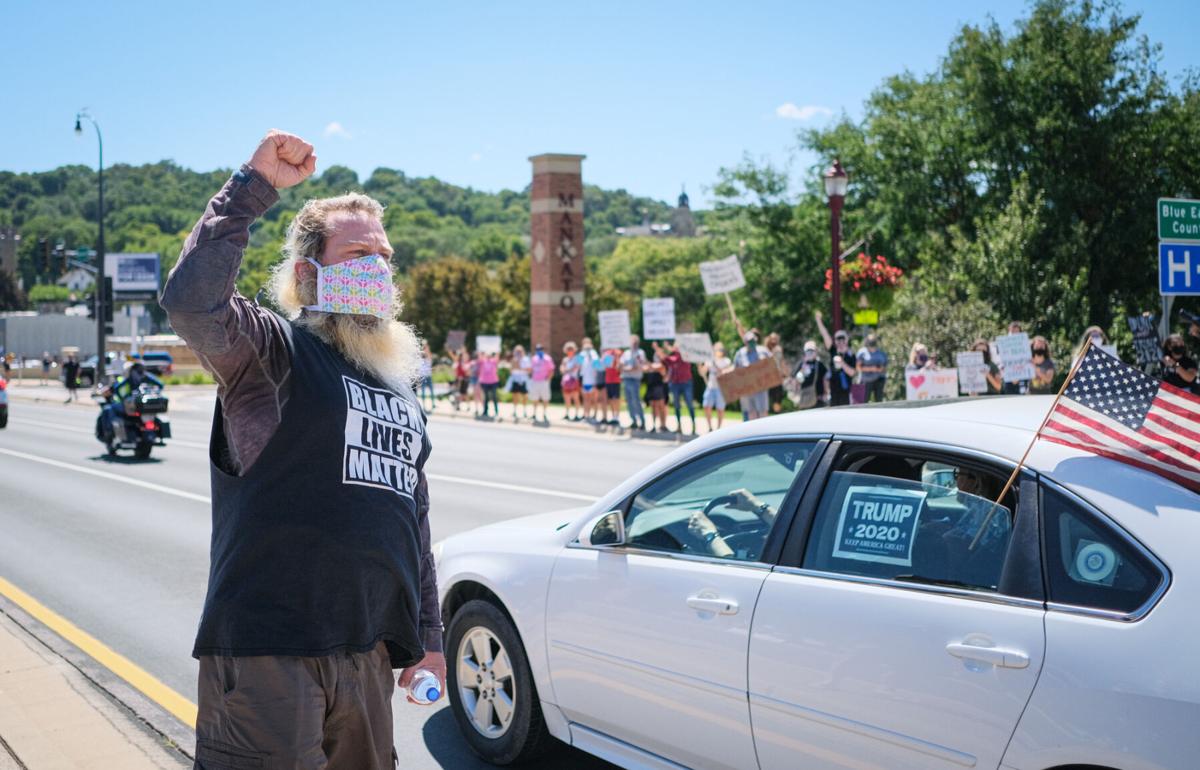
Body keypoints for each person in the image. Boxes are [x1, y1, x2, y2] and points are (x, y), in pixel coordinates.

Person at [159, 130, 443, 769]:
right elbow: (192, 302)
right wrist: (250, 188)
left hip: (367, 654)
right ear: (309, 272)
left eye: (385, 254)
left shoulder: (398, 384)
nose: (378, 266)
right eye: (359, 252)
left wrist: (428, 638)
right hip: (269, 655)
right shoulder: (271, 351)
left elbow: (412, 519)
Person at [814, 311, 857, 406]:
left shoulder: (851, 355)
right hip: (833, 391)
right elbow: (825, 335)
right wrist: (818, 320)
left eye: (843, 339)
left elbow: (853, 373)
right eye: (838, 339)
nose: (840, 342)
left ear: (846, 340)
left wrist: (842, 363)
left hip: (846, 391)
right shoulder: (833, 351)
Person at [658, 340, 697, 434]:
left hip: (686, 383)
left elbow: (683, 355)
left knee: (689, 405)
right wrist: (659, 349)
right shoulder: (673, 358)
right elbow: (664, 359)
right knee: (676, 406)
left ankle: (693, 425)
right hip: (675, 383)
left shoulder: (686, 356)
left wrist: (670, 348)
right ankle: (679, 426)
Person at [733, 330, 772, 420]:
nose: (752, 343)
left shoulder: (763, 351)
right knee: (751, 413)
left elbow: (772, 364)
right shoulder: (740, 353)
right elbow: (735, 371)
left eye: (754, 341)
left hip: (761, 386)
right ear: (745, 342)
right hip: (747, 389)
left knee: (763, 412)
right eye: (750, 341)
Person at [699, 342, 733, 430]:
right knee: (706, 406)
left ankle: (719, 428)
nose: (718, 351)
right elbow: (702, 373)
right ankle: (710, 427)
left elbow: (726, 372)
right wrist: (699, 363)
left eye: (720, 349)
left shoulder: (726, 361)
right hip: (710, 387)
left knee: (720, 409)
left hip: (721, 388)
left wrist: (716, 365)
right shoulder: (709, 361)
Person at [790, 340, 830, 408]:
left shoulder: (819, 364)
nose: (810, 353)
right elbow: (793, 379)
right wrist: (795, 393)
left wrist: (826, 392)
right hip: (805, 397)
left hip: (818, 398)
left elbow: (825, 379)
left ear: (816, 352)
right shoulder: (801, 364)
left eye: (812, 351)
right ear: (805, 352)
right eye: (808, 351)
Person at [619, 336, 648, 431]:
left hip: (635, 379)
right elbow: (621, 365)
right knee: (629, 401)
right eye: (632, 342)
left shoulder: (640, 353)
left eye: (634, 342)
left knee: (636, 401)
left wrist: (628, 368)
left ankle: (642, 422)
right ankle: (634, 421)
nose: (633, 344)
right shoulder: (626, 353)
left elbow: (639, 366)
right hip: (626, 379)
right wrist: (625, 367)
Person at [856, 333, 888, 403]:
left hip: (879, 379)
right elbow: (858, 367)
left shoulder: (881, 353)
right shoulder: (862, 352)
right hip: (866, 381)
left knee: (879, 401)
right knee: (864, 402)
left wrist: (880, 368)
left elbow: (885, 367)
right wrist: (872, 368)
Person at [1001, 321, 1030, 394]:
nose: (1014, 334)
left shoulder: (1026, 346)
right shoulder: (1002, 346)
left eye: (1016, 331)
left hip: (1022, 378)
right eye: (1012, 331)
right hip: (1008, 379)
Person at [643, 350, 668, 432]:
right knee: (653, 407)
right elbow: (644, 369)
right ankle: (654, 424)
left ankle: (663, 425)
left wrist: (646, 362)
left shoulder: (661, 365)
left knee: (661, 406)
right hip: (651, 387)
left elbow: (657, 368)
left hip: (659, 387)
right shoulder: (652, 365)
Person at [529, 343, 555, 422]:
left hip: (544, 381)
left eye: (540, 349)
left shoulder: (547, 359)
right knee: (535, 398)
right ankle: (534, 413)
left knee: (545, 398)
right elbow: (531, 369)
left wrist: (548, 379)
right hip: (535, 381)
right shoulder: (534, 358)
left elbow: (551, 370)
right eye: (537, 349)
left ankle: (544, 413)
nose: (539, 351)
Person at [764, 332, 787, 414]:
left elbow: (782, 361)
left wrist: (785, 372)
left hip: (778, 376)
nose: (774, 340)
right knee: (770, 397)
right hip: (769, 378)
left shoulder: (779, 349)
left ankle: (777, 412)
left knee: (778, 397)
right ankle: (769, 413)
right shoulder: (765, 349)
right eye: (772, 338)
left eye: (776, 338)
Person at [507, 345, 531, 420]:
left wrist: (520, 367)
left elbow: (529, 370)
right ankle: (514, 411)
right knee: (515, 396)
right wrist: (514, 365)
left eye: (520, 351)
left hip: (523, 380)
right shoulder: (513, 360)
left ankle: (524, 411)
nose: (518, 353)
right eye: (517, 351)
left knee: (525, 396)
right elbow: (510, 371)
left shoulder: (526, 359)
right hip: (515, 380)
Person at [579, 337, 600, 422]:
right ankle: (586, 415)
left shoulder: (594, 353)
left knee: (593, 399)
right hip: (585, 381)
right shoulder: (582, 354)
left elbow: (597, 365)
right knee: (585, 399)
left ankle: (594, 415)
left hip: (593, 380)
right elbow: (579, 366)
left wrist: (590, 354)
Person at [560, 341, 582, 420]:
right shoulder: (565, 359)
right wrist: (566, 370)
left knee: (575, 398)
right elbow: (562, 369)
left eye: (571, 349)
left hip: (574, 380)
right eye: (568, 349)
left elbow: (577, 367)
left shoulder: (578, 358)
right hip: (566, 381)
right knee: (567, 398)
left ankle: (577, 414)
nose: (570, 350)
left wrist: (567, 369)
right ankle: (567, 413)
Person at [600, 347, 623, 426]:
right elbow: (603, 365)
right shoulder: (606, 353)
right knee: (610, 399)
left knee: (616, 398)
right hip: (608, 379)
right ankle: (613, 416)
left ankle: (617, 417)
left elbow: (619, 366)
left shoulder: (618, 352)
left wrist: (616, 357)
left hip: (616, 379)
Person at [477, 351, 500, 418]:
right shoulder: (482, 361)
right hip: (485, 382)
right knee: (486, 397)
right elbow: (479, 356)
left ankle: (496, 411)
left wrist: (496, 349)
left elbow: (497, 356)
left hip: (493, 381)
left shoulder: (493, 361)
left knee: (494, 397)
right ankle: (485, 411)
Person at [418, 342, 435, 411]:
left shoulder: (428, 359)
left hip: (428, 376)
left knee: (431, 392)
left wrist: (426, 348)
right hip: (423, 377)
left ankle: (433, 404)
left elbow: (429, 354)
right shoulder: (421, 360)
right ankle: (424, 405)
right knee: (423, 393)